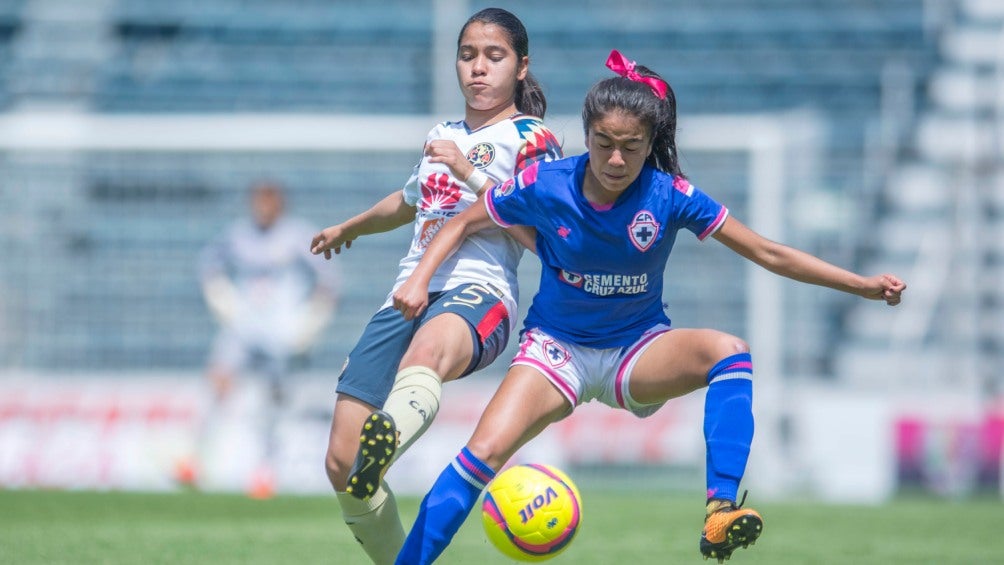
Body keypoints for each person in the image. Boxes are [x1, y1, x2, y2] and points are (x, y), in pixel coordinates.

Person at [389, 49, 907, 564]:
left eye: (632, 147)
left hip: (636, 350)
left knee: (731, 353)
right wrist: (420, 279)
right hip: (554, 352)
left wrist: (859, 285)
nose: (616, 160)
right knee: (480, 456)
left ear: (651, 144)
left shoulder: (671, 194)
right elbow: (462, 221)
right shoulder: (546, 183)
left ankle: (720, 510)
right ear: (587, 135)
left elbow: (767, 251)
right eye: (604, 144)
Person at [309, 8, 563, 565]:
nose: (478, 69)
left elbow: (545, 237)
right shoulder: (441, 135)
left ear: (522, 67)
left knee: (425, 355)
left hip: (480, 293)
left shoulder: (532, 138)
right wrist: (349, 227)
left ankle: (389, 439)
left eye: (494, 57)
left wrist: (472, 174)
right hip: (406, 294)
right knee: (341, 463)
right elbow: (407, 201)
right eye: (468, 55)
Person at [180, 181, 339, 498]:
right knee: (219, 383)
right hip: (243, 326)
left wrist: (312, 321)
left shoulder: (297, 236)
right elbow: (208, 265)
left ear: (280, 204)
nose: (262, 209)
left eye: (268, 202)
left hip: (281, 332)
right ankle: (194, 461)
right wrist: (220, 297)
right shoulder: (239, 235)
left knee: (273, 400)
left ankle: (266, 470)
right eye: (257, 202)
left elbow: (329, 279)